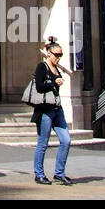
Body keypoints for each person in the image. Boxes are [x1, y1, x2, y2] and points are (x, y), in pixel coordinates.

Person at [31, 37, 74, 185]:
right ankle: (39, 174)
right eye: (56, 55)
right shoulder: (42, 67)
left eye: (60, 55)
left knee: (66, 140)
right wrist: (53, 83)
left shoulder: (57, 69)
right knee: (43, 143)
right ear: (48, 53)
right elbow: (39, 87)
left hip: (57, 109)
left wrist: (57, 82)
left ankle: (59, 173)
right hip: (45, 110)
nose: (58, 58)